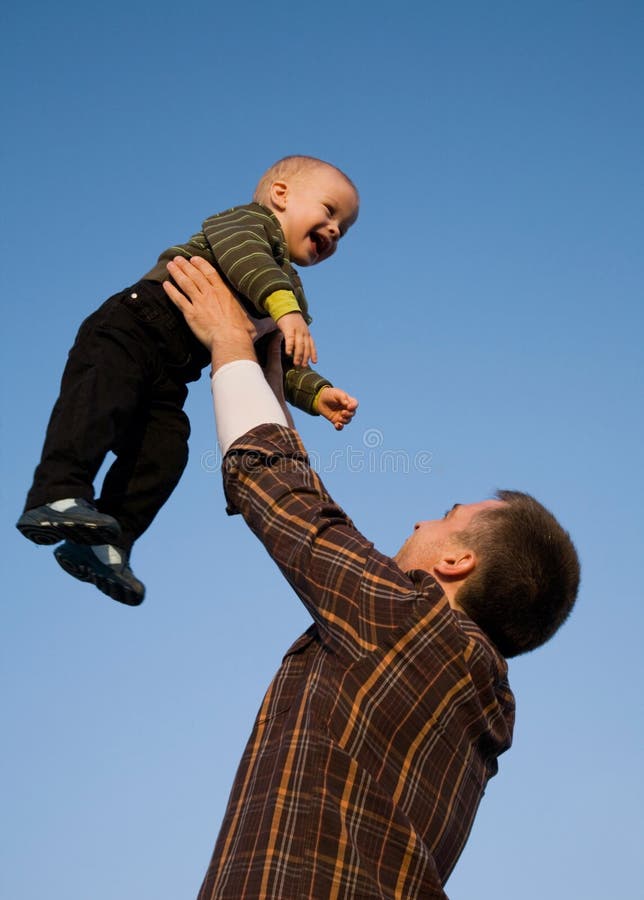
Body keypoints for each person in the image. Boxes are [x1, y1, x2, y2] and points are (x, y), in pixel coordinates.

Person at [163, 255, 580, 899]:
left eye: (446, 516)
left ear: (456, 563)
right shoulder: (476, 707)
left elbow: (282, 490)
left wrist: (229, 341)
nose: (421, 520)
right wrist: (268, 357)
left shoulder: (414, 625)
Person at [16, 155, 359, 606]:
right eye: (330, 212)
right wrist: (285, 309)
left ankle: (106, 542)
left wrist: (316, 394)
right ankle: (58, 493)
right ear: (281, 195)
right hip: (134, 325)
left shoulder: (289, 293)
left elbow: (276, 359)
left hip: (171, 376)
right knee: (99, 400)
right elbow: (244, 258)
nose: (335, 230)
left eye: (344, 229)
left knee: (166, 449)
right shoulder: (248, 224)